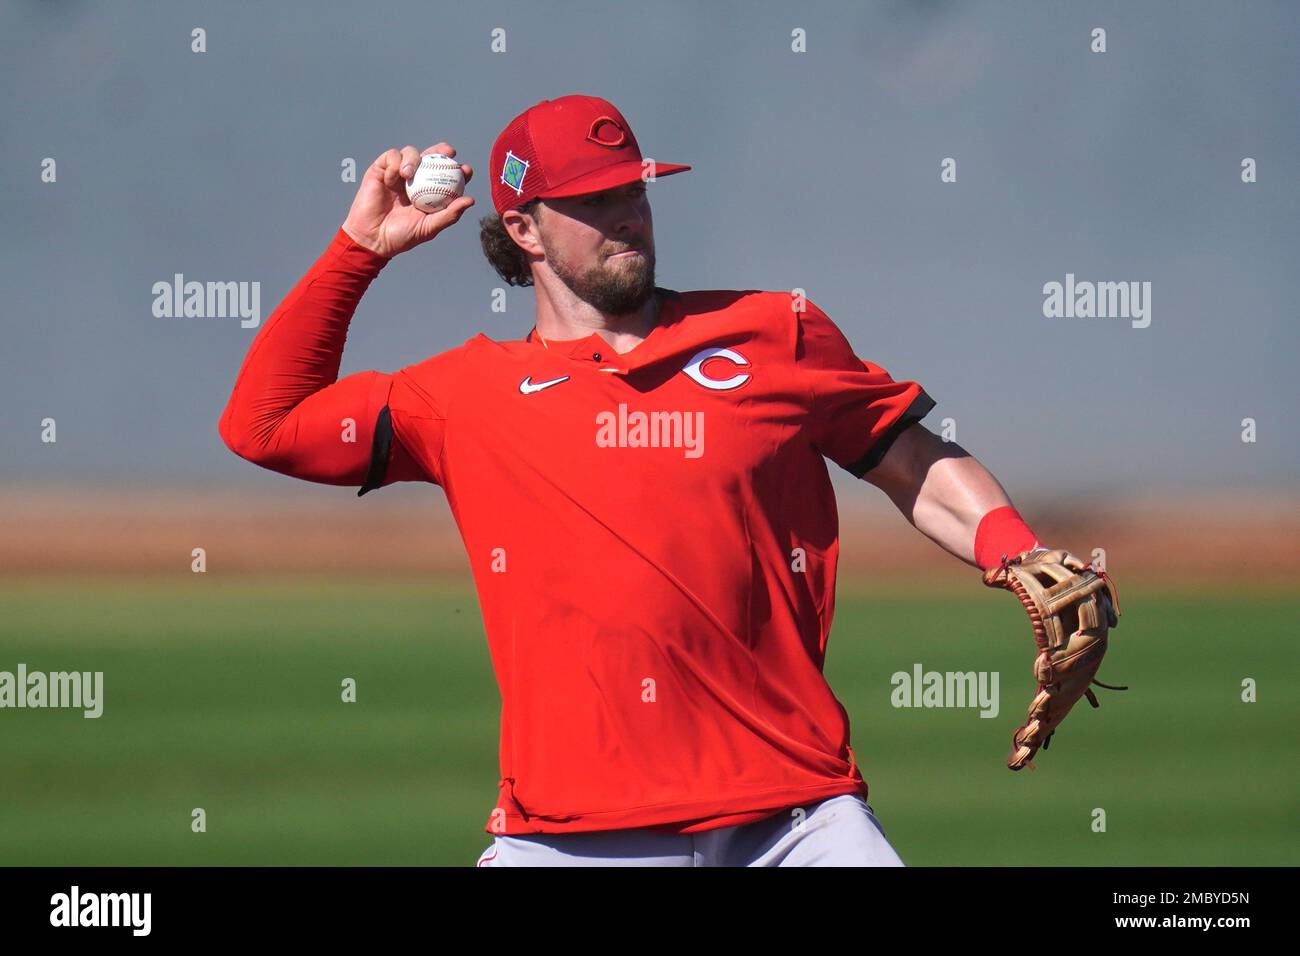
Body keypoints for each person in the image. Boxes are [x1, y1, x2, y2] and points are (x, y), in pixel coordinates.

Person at [219, 94, 1046, 867]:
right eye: (592, 202)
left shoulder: (771, 333)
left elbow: (911, 462)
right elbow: (263, 426)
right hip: (565, 837)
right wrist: (358, 252)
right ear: (525, 229)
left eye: (635, 193)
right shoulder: (464, 396)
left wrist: (1016, 551)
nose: (626, 218)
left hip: (794, 821)